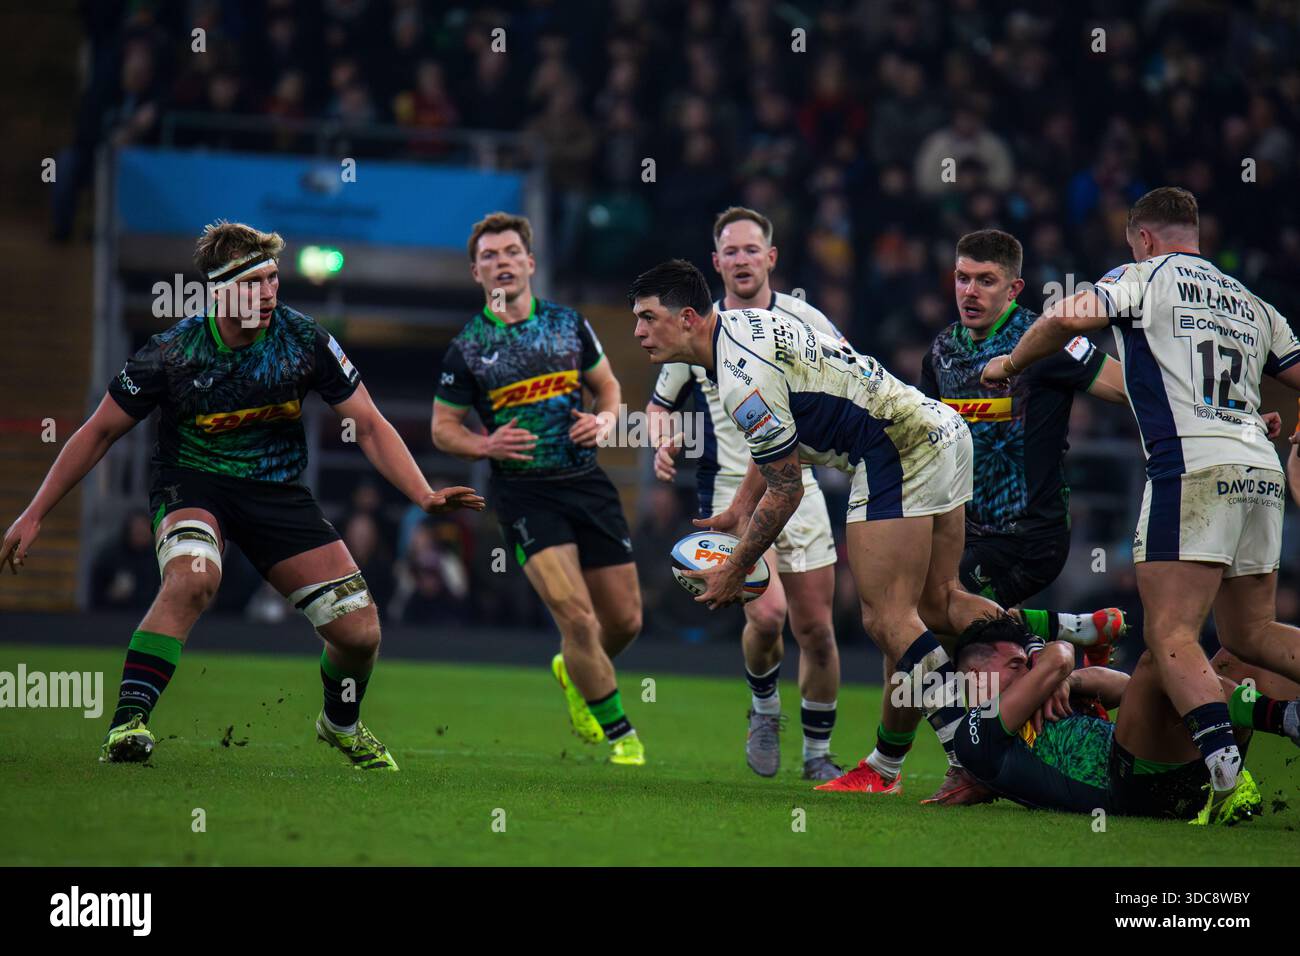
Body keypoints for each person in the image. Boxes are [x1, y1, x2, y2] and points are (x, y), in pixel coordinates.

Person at [1, 221, 484, 769]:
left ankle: (339, 723)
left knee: (359, 631)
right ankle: (126, 724)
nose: (270, 292)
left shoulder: (304, 340)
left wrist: (423, 494)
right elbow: (100, 431)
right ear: (220, 290)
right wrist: (36, 512)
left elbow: (368, 424)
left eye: (274, 279)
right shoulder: (171, 353)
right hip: (194, 482)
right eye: (254, 283)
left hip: (277, 491)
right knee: (194, 576)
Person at [981, 186, 1300, 824]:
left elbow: (1064, 316)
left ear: (1144, 239)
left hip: (1192, 467)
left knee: (1169, 632)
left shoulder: (1141, 277)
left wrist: (1011, 360)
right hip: (1259, 470)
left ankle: (1229, 781)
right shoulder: (1252, 303)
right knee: (1251, 634)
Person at [630, 258, 1011, 792]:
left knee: (885, 619)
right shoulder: (742, 327)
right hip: (942, 429)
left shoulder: (740, 379)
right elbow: (779, 451)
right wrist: (739, 512)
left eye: (647, 318)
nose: (639, 332)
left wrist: (736, 567)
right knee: (939, 604)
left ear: (688, 317)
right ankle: (1057, 640)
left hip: (894, 448)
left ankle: (975, 758)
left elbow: (787, 490)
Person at [836, 228, 1133, 802]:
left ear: (1014, 287)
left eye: (986, 281)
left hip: (1029, 534)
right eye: (962, 277)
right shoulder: (942, 352)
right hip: (964, 533)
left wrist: (1209, 417)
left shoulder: (1044, 341)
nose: (970, 290)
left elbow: (1126, 391)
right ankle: (1064, 646)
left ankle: (902, 766)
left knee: (910, 619)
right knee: (912, 630)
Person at [432, 212, 645, 766]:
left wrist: (604, 421)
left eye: (510, 252)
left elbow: (609, 388)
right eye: (489, 256)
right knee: (576, 616)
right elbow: (442, 429)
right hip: (525, 494)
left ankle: (572, 670)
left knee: (625, 620)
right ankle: (623, 737)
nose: (501, 261)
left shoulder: (569, 324)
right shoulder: (468, 349)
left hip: (587, 483)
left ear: (530, 262)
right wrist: (484, 446)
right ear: (476, 272)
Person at [645, 206, 845, 780]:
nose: (740, 259)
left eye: (750, 249)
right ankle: (763, 708)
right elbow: (661, 405)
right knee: (768, 616)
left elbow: (848, 375)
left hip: (798, 488)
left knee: (817, 631)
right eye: (730, 251)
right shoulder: (699, 328)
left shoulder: (805, 319)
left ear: (770, 257)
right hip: (732, 493)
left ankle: (816, 756)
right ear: (716, 263)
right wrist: (662, 442)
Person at [951, 615, 1300, 824]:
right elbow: (1061, 656)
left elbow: (1125, 687)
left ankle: (1233, 768)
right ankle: (1284, 718)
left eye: (1027, 663)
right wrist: (1049, 664)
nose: (1029, 668)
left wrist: (1070, 681)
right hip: (1129, 789)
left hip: (1171, 770)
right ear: (975, 674)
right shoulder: (976, 731)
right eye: (1016, 664)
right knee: (1160, 658)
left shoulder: (1046, 694)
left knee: (1237, 657)